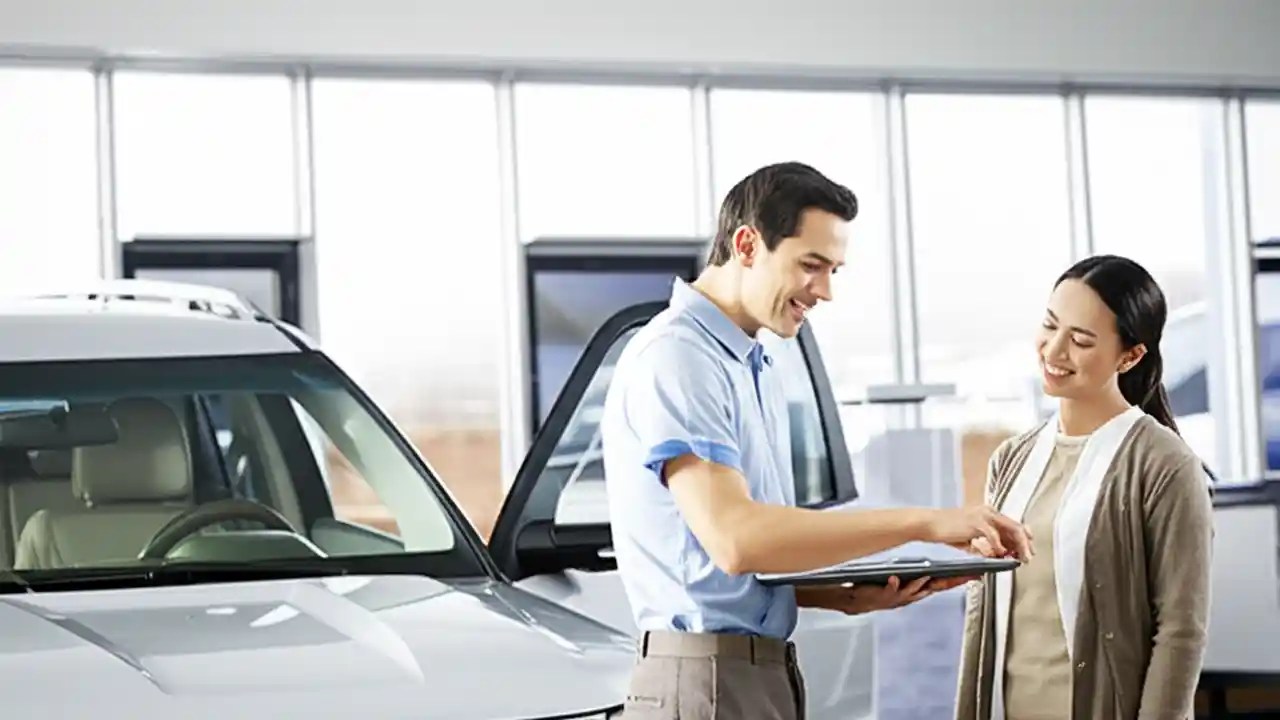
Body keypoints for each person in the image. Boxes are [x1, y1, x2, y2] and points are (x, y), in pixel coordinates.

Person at [601, 161, 1035, 720]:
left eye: (833, 270)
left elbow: (717, 563)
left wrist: (846, 593)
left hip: (748, 673)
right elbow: (737, 540)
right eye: (811, 265)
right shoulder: (680, 358)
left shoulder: (752, 362)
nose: (825, 291)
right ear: (747, 244)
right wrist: (927, 523)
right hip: (705, 681)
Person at [955, 254, 1215, 720]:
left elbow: (1181, 629)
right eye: (1050, 326)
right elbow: (983, 610)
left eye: (1080, 340)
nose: (1054, 351)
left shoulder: (1165, 465)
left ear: (1130, 355)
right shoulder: (1011, 459)